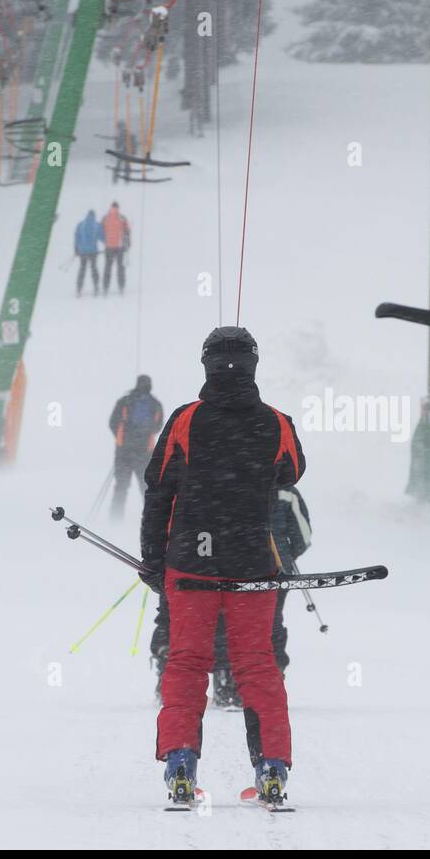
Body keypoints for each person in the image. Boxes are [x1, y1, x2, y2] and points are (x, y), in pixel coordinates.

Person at [138, 326, 305, 805]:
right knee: (258, 665)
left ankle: (179, 762)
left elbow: (158, 491)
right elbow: (292, 471)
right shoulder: (276, 422)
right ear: (254, 365)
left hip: (190, 562)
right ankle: (271, 766)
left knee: (187, 663)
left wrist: (154, 559)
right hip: (253, 563)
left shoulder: (186, 420)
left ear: (205, 365)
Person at [209, 485, 312, 709]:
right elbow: (303, 537)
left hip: (230, 567)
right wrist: (285, 553)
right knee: (270, 620)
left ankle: (226, 678)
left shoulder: (226, 484)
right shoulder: (287, 492)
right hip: (276, 569)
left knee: (225, 620)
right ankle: (272, 677)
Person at [109, 374, 164, 520]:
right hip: (144, 452)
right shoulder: (155, 404)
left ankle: (115, 519)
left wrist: (123, 438)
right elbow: (158, 426)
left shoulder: (124, 401)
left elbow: (113, 422)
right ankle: (152, 520)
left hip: (124, 451)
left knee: (121, 487)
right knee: (146, 488)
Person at [101, 201, 131, 294]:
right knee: (120, 267)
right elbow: (127, 231)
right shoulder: (122, 218)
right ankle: (121, 286)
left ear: (111, 207)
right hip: (119, 247)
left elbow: (100, 231)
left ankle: (105, 287)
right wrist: (128, 243)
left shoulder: (105, 218)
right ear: (118, 208)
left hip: (109, 246)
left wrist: (105, 241)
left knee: (107, 267)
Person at [74, 209, 103, 297]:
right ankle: (96, 287)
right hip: (93, 252)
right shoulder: (97, 225)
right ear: (94, 216)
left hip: (83, 252)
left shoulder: (80, 224)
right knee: (94, 269)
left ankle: (79, 289)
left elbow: (77, 238)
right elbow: (102, 237)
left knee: (82, 269)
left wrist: (76, 249)